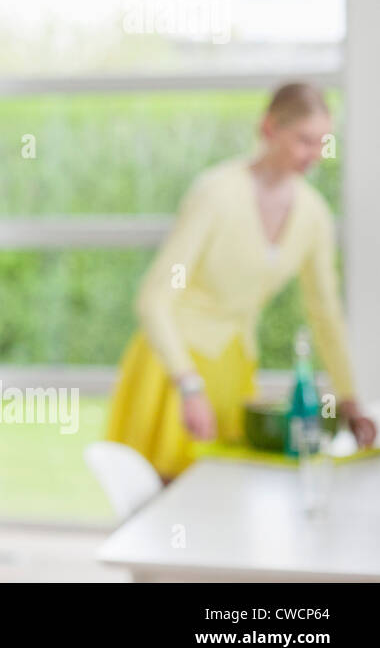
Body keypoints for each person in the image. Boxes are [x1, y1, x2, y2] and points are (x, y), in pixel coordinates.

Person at [105, 83, 376, 482]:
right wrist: (188, 385)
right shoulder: (216, 193)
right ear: (269, 129)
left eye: (323, 143)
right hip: (173, 366)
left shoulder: (313, 215)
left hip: (233, 363)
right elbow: (154, 298)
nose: (315, 154)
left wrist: (349, 400)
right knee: (168, 500)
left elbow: (326, 316)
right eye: (304, 140)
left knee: (220, 494)